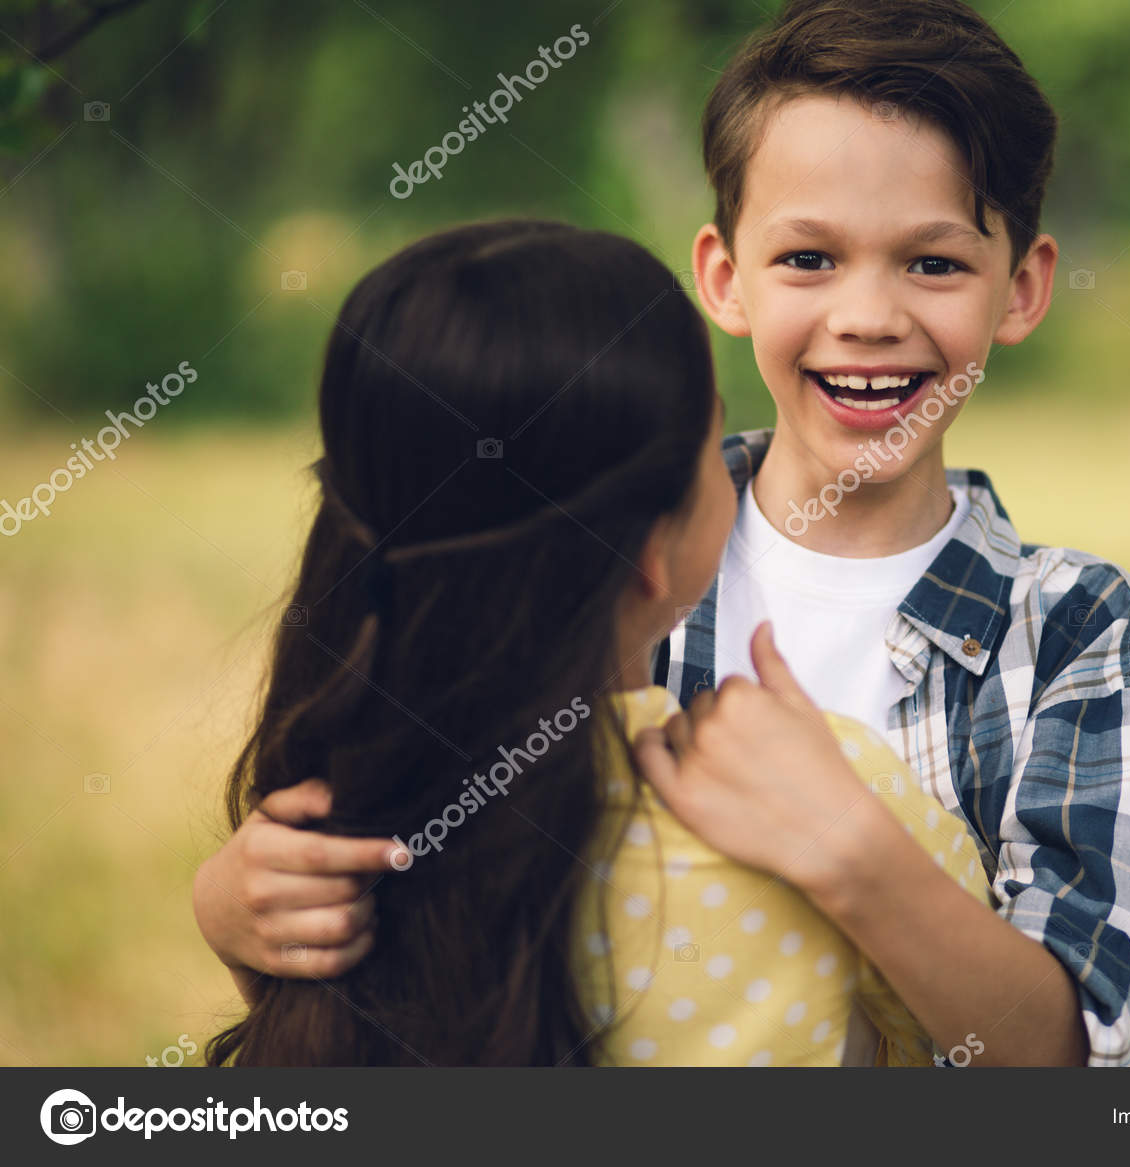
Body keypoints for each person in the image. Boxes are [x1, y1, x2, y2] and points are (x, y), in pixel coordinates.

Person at [197, 0, 1130, 1066]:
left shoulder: (1078, 631)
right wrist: (234, 906)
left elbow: (1086, 1056)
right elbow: (423, 892)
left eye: (933, 264)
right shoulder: (602, 542)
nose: (867, 316)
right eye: (808, 259)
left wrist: (852, 853)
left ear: (1022, 288)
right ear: (722, 277)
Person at [202, 218, 989, 1066]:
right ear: (649, 553)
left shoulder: (321, 845)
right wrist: (864, 848)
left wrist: (225, 919)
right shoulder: (851, 797)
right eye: (708, 440)